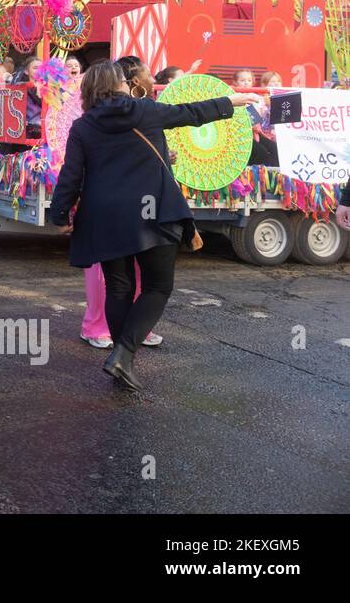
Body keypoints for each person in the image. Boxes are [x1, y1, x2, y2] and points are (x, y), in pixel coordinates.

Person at [51, 60, 261, 391]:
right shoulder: (144, 111)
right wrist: (231, 102)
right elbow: (189, 113)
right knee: (158, 287)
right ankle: (123, 353)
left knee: (118, 287)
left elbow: (71, 176)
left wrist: (60, 215)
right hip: (153, 211)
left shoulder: (83, 127)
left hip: (104, 216)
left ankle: (121, 358)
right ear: (120, 84)